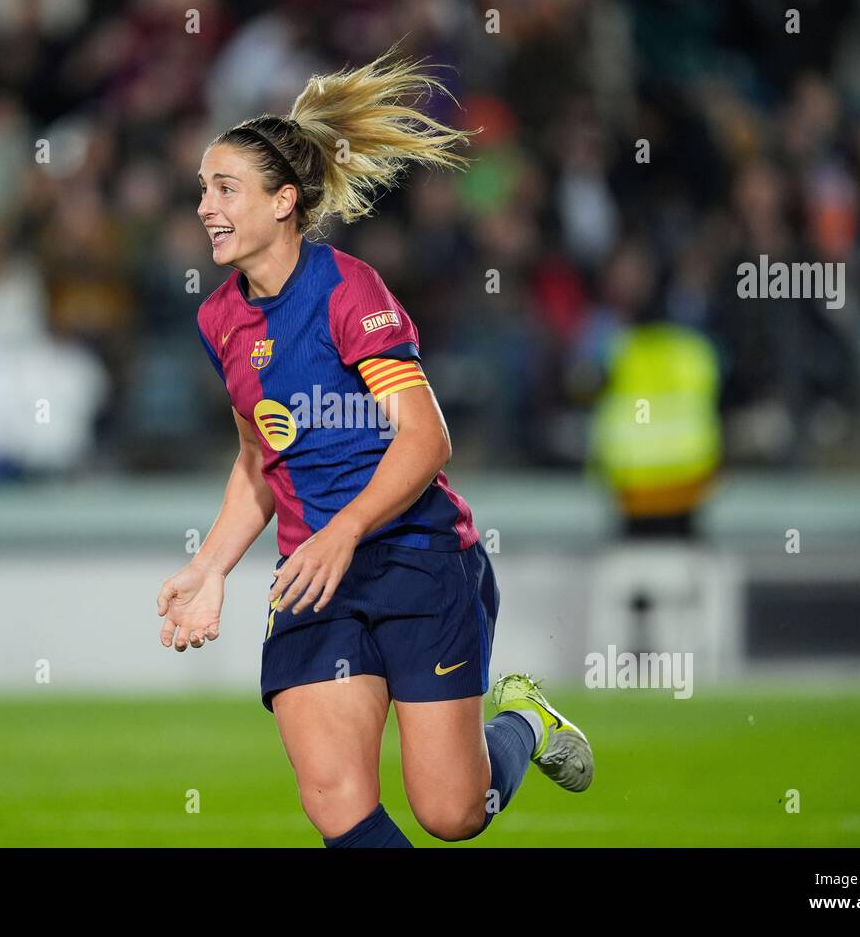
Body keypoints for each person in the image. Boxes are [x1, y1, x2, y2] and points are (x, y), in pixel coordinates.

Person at [156, 48, 593, 847]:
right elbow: (260, 460)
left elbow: (426, 439)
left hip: (414, 556)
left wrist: (345, 529)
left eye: (224, 188)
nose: (205, 207)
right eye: (201, 190)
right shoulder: (219, 318)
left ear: (284, 200)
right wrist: (209, 568)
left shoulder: (349, 290)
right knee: (335, 802)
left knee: (451, 813)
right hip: (314, 577)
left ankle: (526, 720)